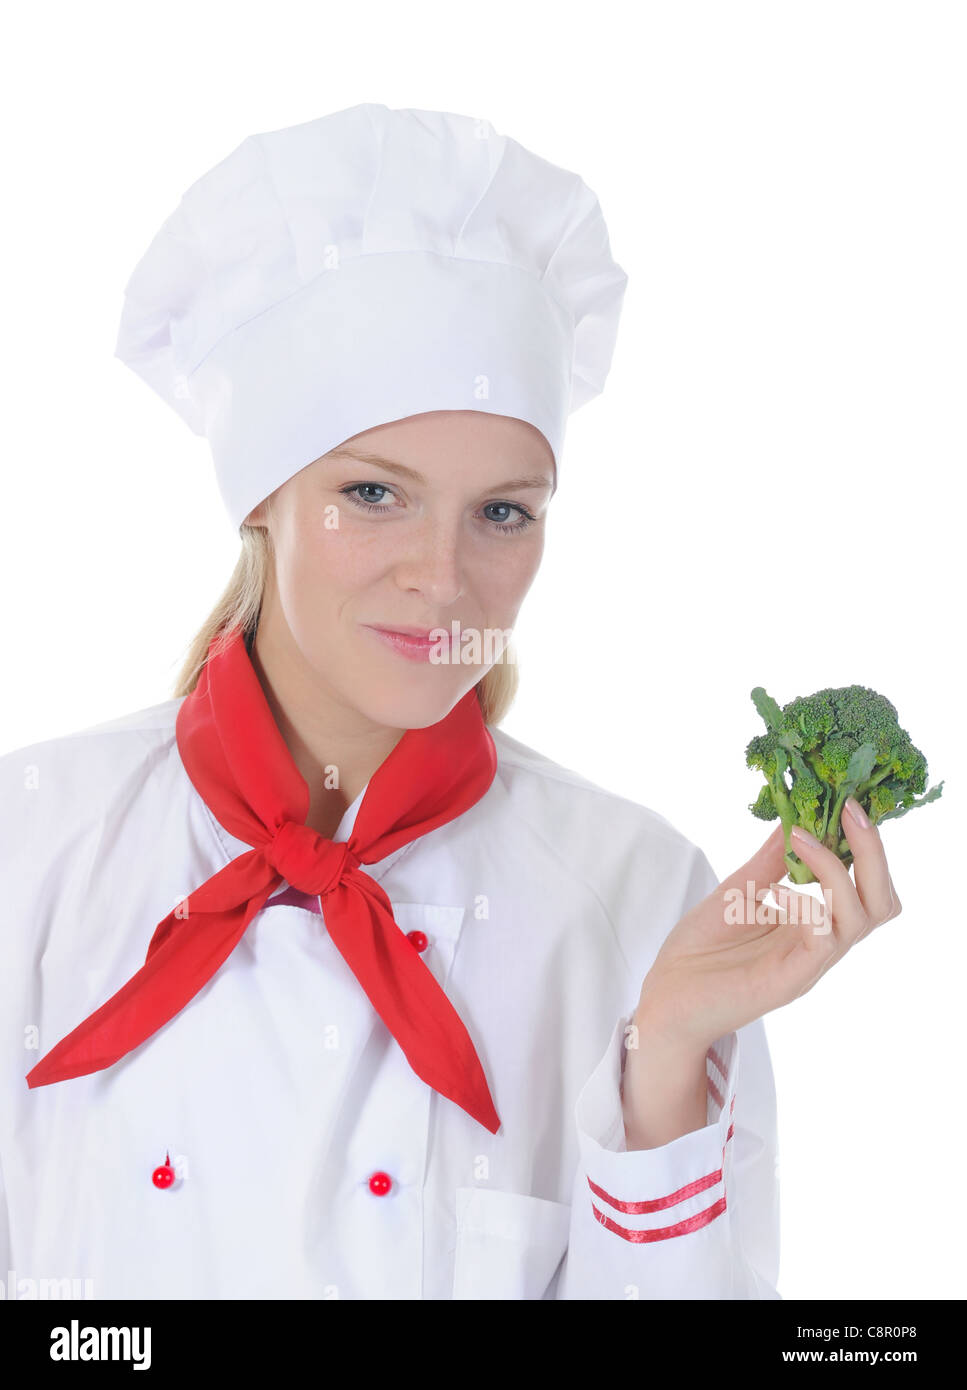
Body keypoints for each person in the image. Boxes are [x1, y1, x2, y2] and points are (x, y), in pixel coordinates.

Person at [0, 105, 901, 1301]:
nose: (442, 573)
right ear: (258, 498)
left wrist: (666, 1056)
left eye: (504, 511)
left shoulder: (633, 890)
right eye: (373, 492)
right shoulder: (34, 841)